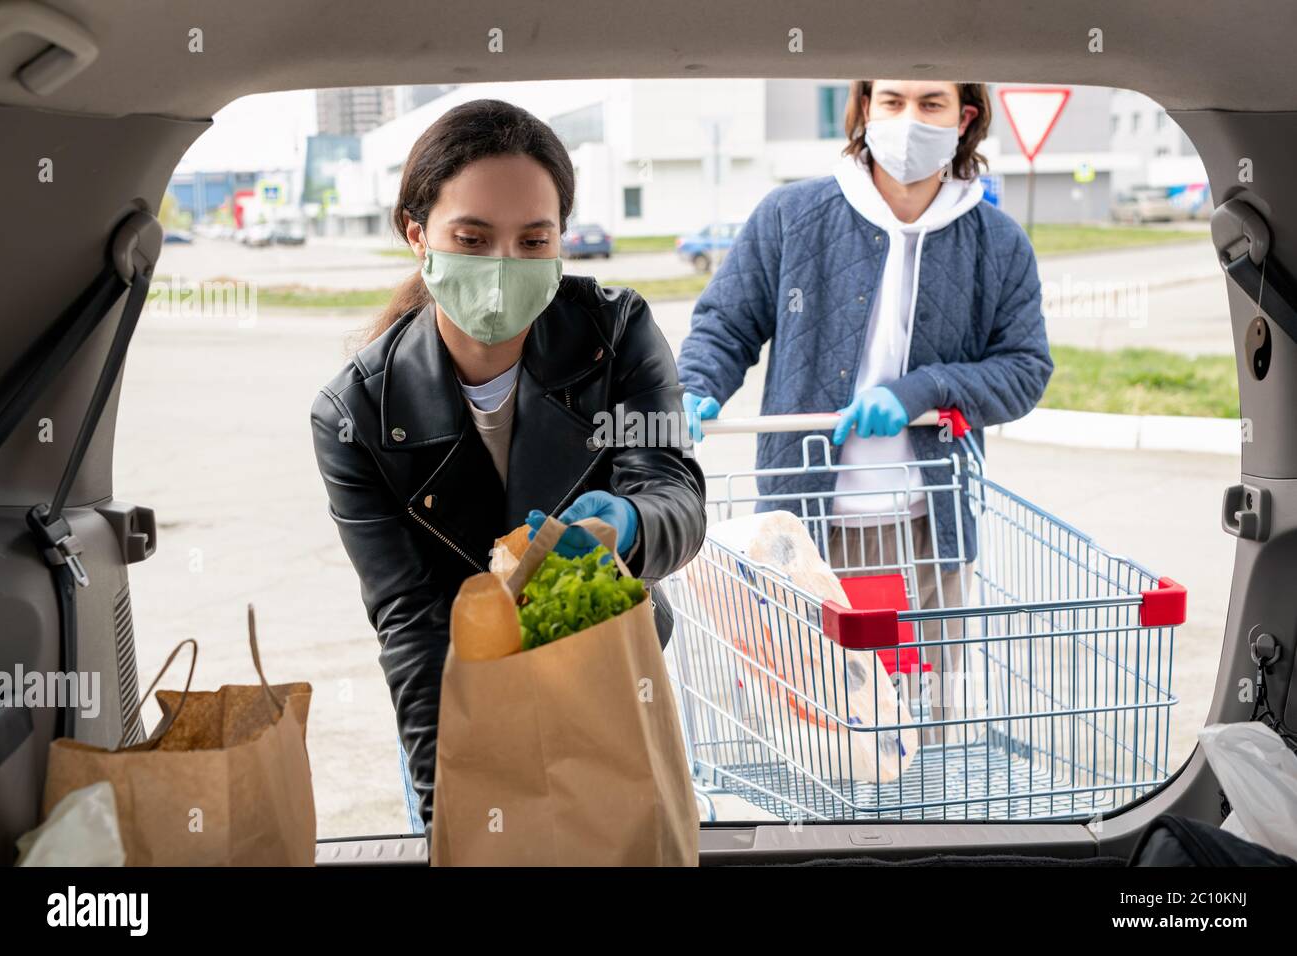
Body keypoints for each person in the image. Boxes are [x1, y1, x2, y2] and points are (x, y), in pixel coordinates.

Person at [310, 99, 707, 839]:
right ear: (417, 234)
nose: (504, 266)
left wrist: (627, 523)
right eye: (473, 237)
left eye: (533, 239)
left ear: (561, 242)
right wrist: (446, 809)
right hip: (468, 699)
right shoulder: (355, 414)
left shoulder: (616, 334)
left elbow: (672, 493)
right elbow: (413, 622)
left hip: (612, 676)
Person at [675, 80, 1052, 743]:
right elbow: (725, 324)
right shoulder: (793, 215)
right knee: (818, 729)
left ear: (964, 118)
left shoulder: (998, 243)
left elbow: (1024, 371)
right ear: (864, 109)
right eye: (893, 101)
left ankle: (914, 841)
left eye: (930, 104)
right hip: (808, 529)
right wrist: (697, 382)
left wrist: (920, 392)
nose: (909, 119)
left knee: (920, 728)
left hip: (929, 533)